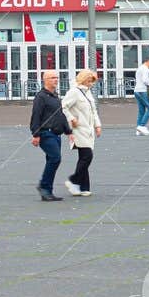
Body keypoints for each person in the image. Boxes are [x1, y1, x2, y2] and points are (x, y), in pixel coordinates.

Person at [29, 69, 70, 201]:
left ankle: (47, 191)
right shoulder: (40, 97)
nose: (56, 80)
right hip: (46, 133)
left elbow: (61, 115)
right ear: (45, 80)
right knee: (55, 158)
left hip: (56, 134)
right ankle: (44, 186)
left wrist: (69, 131)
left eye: (57, 77)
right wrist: (35, 134)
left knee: (52, 159)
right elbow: (36, 116)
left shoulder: (55, 96)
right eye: (52, 78)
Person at [63, 68, 101, 196]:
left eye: (92, 82)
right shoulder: (74, 92)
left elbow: (93, 110)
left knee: (83, 157)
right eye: (89, 81)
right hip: (78, 128)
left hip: (88, 128)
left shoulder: (88, 92)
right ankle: (73, 180)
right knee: (87, 156)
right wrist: (71, 118)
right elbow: (63, 106)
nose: (91, 84)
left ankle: (84, 187)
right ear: (83, 80)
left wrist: (97, 125)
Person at [133, 54, 149, 136]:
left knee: (141, 110)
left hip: (137, 91)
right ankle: (142, 126)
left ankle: (139, 129)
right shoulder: (145, 69)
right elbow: (145, 80)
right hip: (142, 91)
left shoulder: (140, 68)